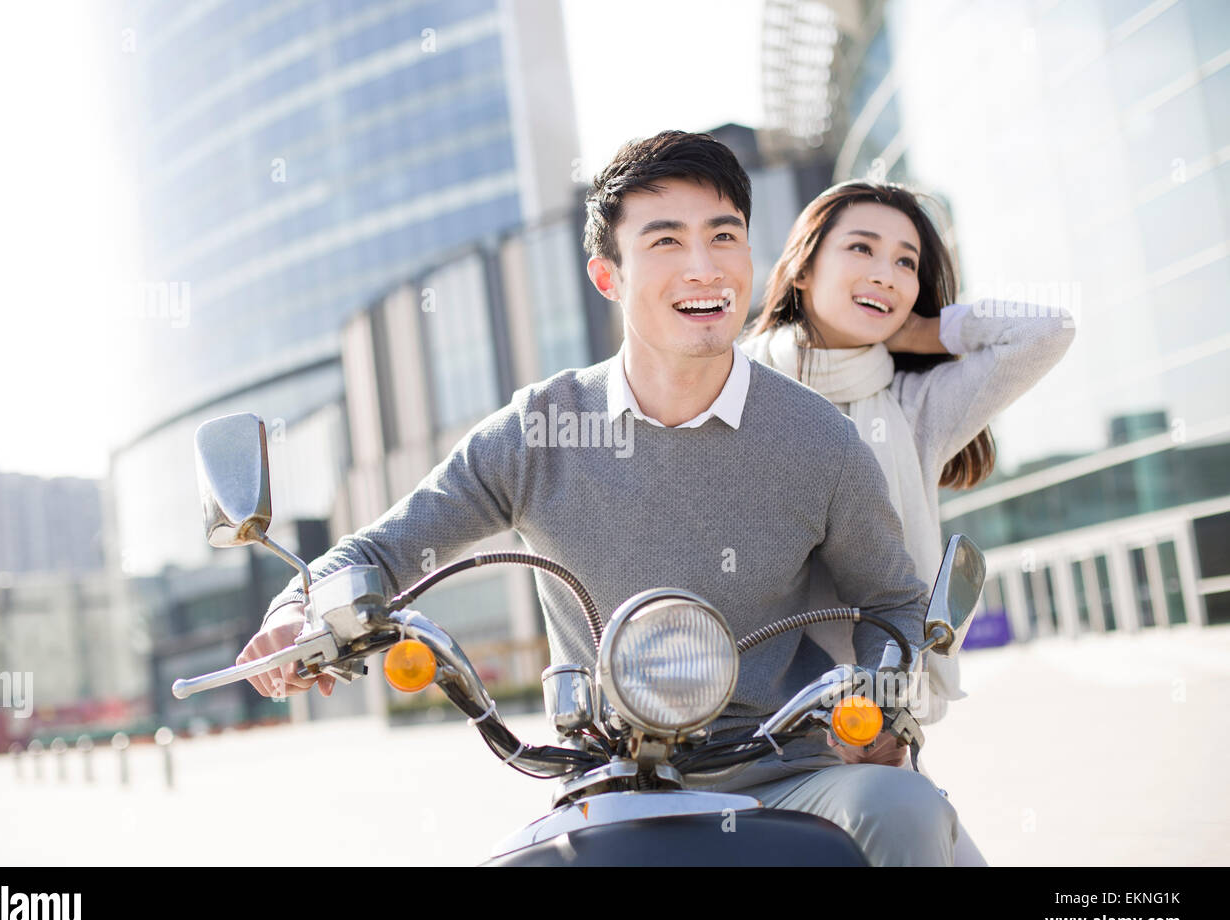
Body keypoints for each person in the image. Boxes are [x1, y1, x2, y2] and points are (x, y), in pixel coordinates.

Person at [238, 132, 959, 865]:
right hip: (607, 786)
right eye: (667, 242)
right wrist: (297, 610)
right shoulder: (540, 429)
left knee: (904, 807)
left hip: (787, 775)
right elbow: (381, 551)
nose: (704, 268)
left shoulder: (821, 440)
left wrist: (884, 703)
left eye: (724, 237)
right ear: (607, 277)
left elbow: (892, 601)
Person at [741, 179, 1076, 863]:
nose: (885, 274)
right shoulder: (734, 390)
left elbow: (1048, 330)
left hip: (877, 718)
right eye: (861, 248)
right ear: (803, 268)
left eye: (905, 263)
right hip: (755, 722)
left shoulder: (914, 406)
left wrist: (923, 326)